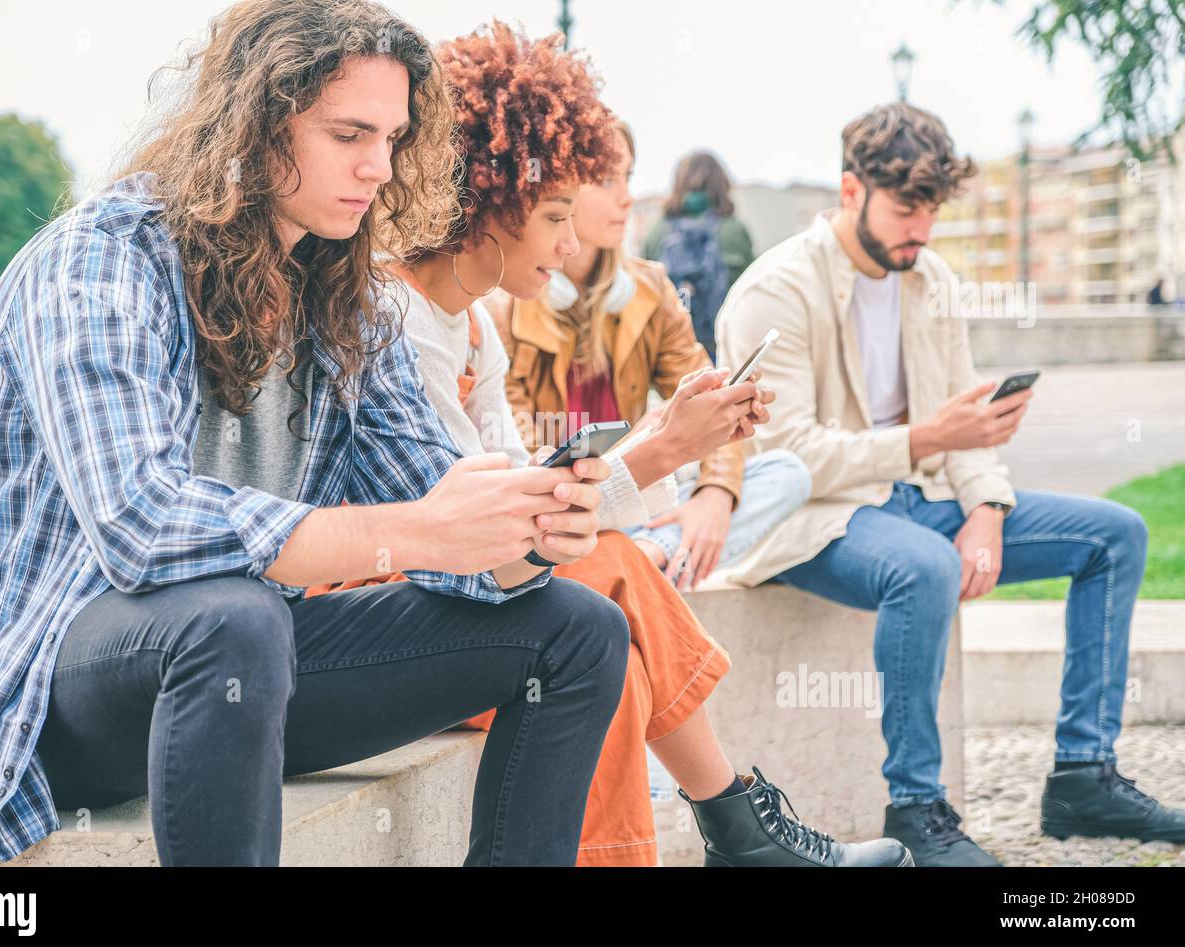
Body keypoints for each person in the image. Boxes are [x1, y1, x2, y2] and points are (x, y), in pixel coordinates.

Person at [0, 0, 632, 867]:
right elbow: (143, 525)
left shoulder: (348, 302)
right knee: (237, 616)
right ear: (254, 125)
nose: (378, 167)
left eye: (393, 139)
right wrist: (419, 530)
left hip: (242, 681)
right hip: (52, 696)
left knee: (577, 629)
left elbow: (442, 515)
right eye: (348, 134)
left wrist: (527, 532)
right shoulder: (100, 262)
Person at [350, 21, 909, 868]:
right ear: (482, 200)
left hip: (474, 595)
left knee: (607, 626)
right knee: (605, 586)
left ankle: (735, 831)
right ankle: (739, 827)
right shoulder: (397, 322)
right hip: (390, 613)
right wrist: (659, 452)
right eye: (554, 216)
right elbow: (476, 542)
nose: (572, 244)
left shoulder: (471, 330)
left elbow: (517, 517)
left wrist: (671, 444)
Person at [715, 101, 1185, 866]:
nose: (923, 230)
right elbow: (790, 457)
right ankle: (915, 808)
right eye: (907, 209)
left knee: (1116, 536)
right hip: (810, 517)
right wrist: (931, 439)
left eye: (932, 209)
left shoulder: (929, 278)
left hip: (915, 499)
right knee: (926, 566)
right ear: (850, 191)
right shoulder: (775, 290)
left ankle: (1084, 778)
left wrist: (988, 507)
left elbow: (965, 417)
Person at [493, 122, 812, 595]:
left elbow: (707, 390)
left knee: (787, 474)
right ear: (561, 187)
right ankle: (650, 556)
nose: (626, 198)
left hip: (639, 502)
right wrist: (646, 445)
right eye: (606, 180)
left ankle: (649, 554)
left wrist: (715, 494)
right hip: (565, 511)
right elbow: (521, 461)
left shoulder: (650, 289)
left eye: (629, 177)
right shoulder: (505, 304)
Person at [643, 150, 755, 356]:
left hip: (671, 350)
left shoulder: (657, 231)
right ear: (721, 183)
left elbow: (644, 292)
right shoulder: (733, 229)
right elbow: (752, 289)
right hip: (722, 347)